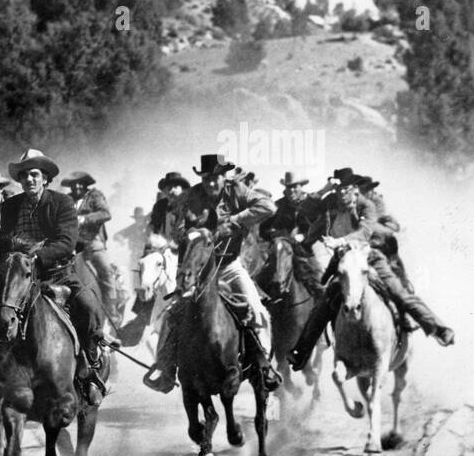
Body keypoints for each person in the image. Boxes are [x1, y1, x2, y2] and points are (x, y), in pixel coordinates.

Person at [141, 154, 283, 393]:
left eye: (215, 177)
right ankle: (166, 369)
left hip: (230, 266)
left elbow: (268, 206)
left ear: (223, 177)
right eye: (206, 178)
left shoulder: (237, 190)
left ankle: (265, 365)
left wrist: (235, 220)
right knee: (171, 316)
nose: (211, 183)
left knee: (257, 310)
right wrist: (198, 233)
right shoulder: (193, 196)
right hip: (200, 270)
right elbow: (180, 230)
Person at [289, 174, 453, 369]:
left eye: (346, 189)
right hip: (344, 260)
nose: (342, 194)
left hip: (370, 258)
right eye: (339, 189)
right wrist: (324, 190)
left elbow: (364, 232)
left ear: (354, 190)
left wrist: (341, 241)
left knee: (397, 290)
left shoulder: (367, 206)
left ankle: (437, 328)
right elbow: (305, 209)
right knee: (323, 304)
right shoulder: (330, 202)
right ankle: (301, 352)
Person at [0, 149, 108, 404]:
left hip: (57, 274)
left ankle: (89, 370)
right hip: (20, 277)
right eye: (24, 176)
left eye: (34, 175)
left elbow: (66, 242)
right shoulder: (10, 206)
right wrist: (12, 258)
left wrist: (37, 255)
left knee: (89, 307)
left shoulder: (62, 203)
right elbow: (3, 243)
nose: (29, 180)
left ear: (45, 178)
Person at [61, 170, 119, 321]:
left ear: (86, 184)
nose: (77, 187)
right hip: (72, 244)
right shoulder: (67, 199)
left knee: (105, 270)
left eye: (81, 183)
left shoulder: (95, 196)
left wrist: (85, 219)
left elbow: (106, 213)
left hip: (93, 243)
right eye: (74, 184)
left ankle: (111, 308)